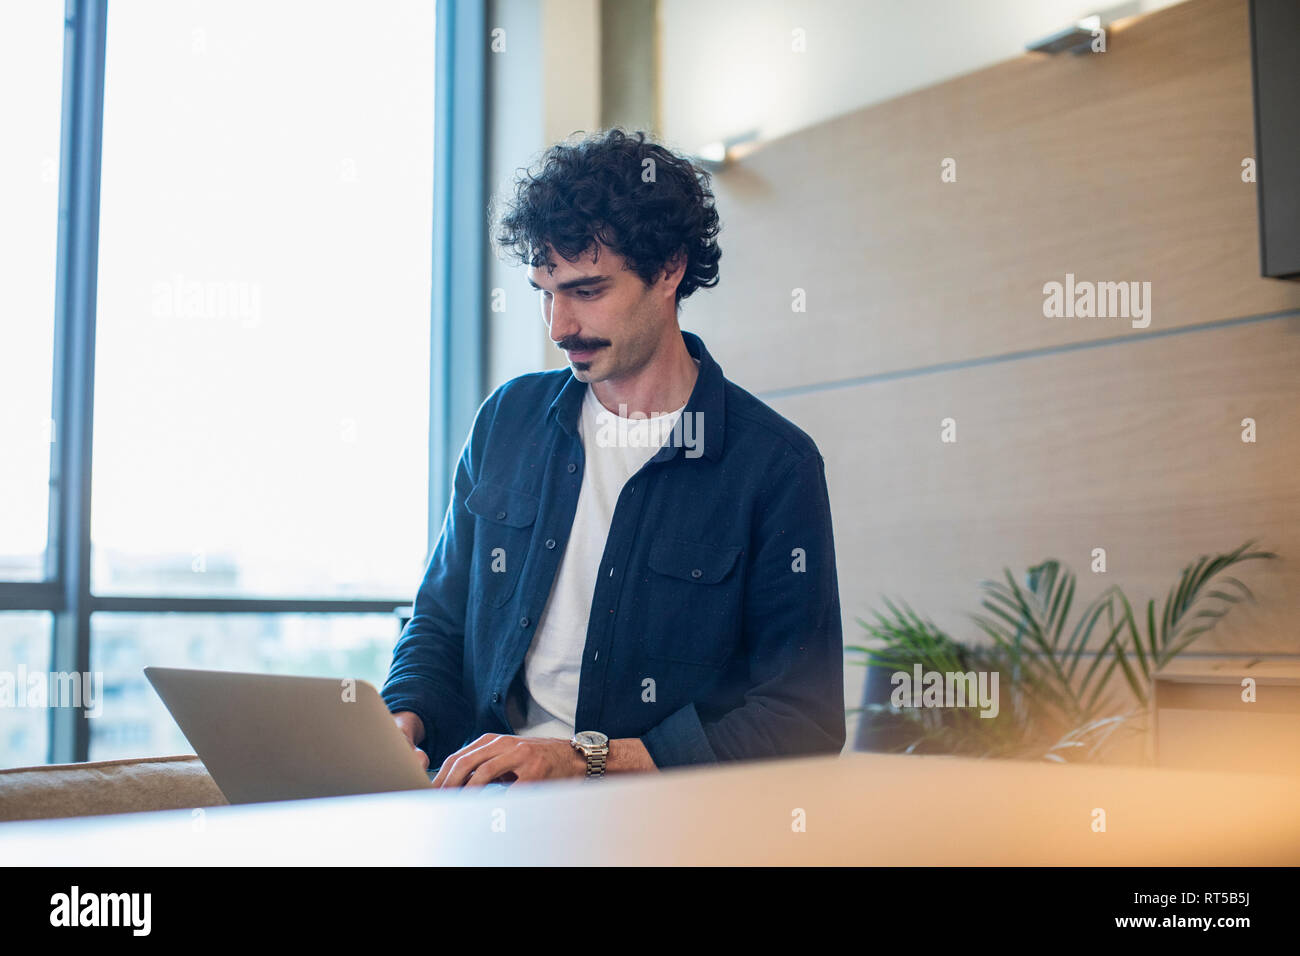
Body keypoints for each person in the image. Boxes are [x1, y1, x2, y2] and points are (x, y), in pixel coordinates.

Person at [382, 128, 844, 787]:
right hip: (478, 803)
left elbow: (802, 717)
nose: (558, 325)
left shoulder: (773, 467)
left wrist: (582, 759)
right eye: (545, 290)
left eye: (587, 291)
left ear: (668, 270)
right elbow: (441, 620)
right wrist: (403, 718)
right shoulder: (506, 421)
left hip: (656, 826)